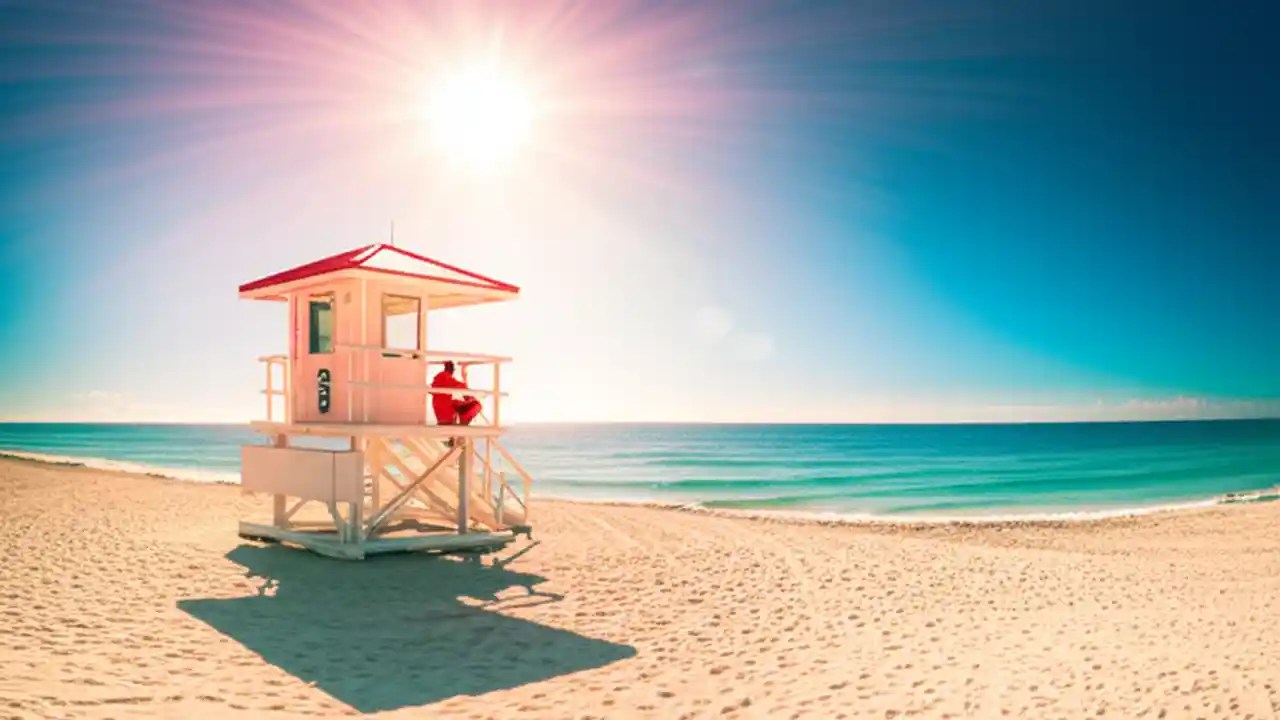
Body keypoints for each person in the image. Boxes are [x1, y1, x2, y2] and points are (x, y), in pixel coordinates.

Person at [431, 361, 482, 426]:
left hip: (439, 414)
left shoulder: (437, 379)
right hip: (448, 416)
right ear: (452, 370)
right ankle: (463, 426)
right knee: (476, 405)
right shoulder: (448, 378)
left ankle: (460, 425)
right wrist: (464, 374)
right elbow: (464, 388)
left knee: (458, 403)